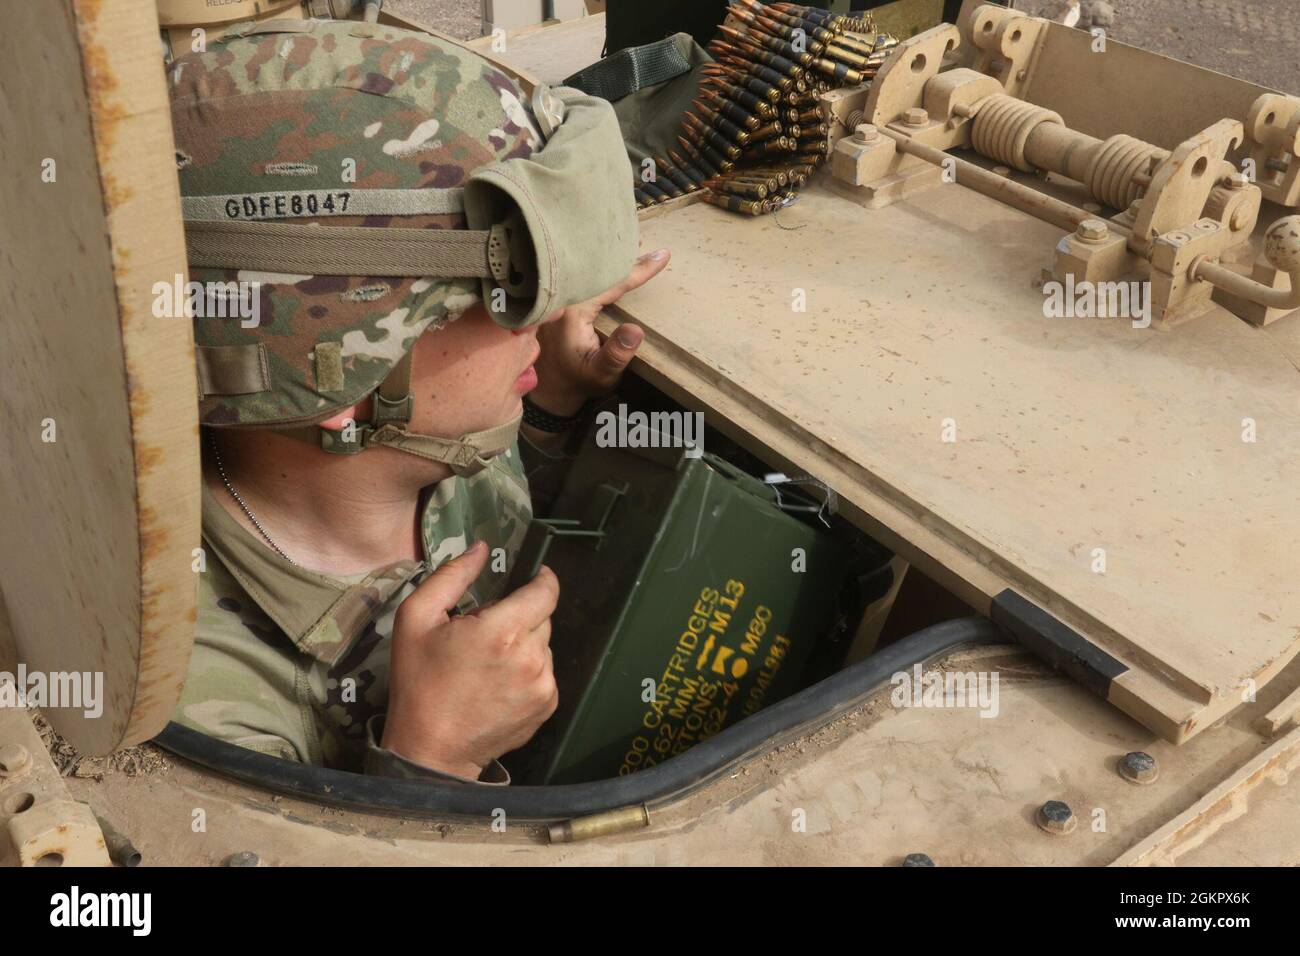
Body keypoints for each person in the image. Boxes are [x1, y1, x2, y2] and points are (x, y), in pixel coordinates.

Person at [168, 18, 668, 783]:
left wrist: (546, 407)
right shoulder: (203, 708)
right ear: (329, 376)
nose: (541, 314)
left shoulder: (424, 442)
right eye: (507, 294)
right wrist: (429, 761)